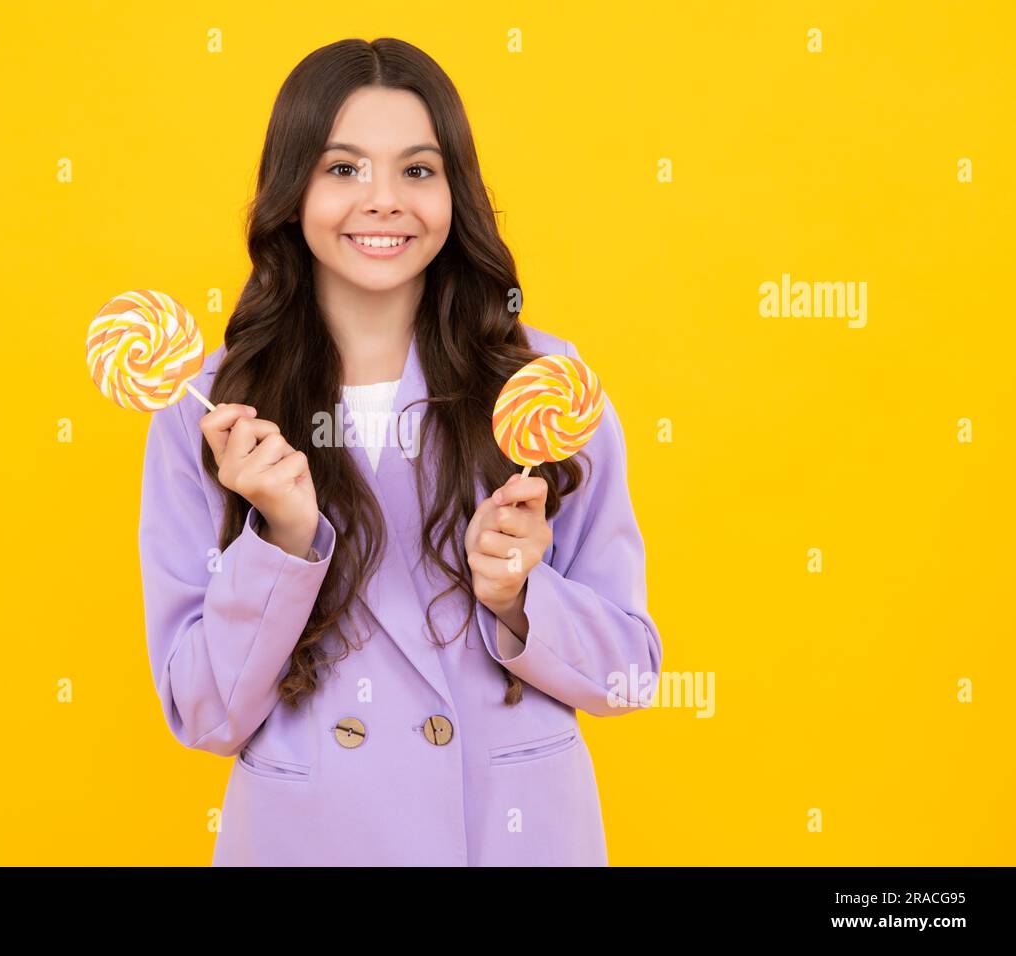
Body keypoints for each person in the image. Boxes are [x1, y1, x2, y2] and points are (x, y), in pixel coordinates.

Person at [138, 36, 662, 866]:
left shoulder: (545, 395)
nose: (382, 200)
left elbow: (631, 672)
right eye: (342, 169)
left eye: (417, 171)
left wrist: (523, 596)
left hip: (511, 834)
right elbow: (205, 715)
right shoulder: (213, 416)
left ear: (455, 191)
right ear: (292, 189)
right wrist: (278, 541)